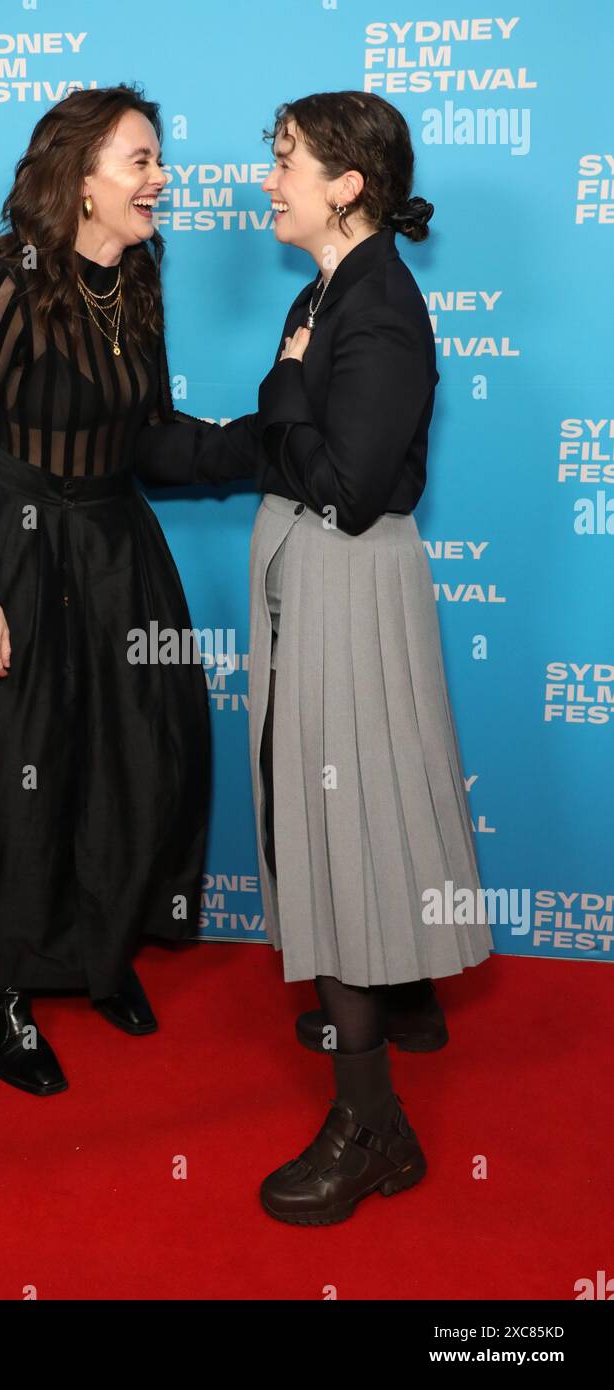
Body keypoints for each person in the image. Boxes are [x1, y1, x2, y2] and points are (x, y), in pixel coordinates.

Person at [137, 90, 495, 1225]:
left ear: (348, 184)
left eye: (285, 160)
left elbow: (338, 486)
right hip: (325, 584)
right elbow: (286, 448)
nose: (268, 179)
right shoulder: (328, 290)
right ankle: (404, 995)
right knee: (364, 794)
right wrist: (177, 448)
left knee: (334, 823)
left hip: (346, 582)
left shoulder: (376, 306)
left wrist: (284, 387)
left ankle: (370, 1123)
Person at [0, 84, 237, 1098]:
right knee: (23, 767)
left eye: (158, 159)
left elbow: (150, 434)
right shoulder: (14, 284)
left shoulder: (139, 276)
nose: (161, 178)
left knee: (128, 759)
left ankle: (95, 954)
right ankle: (8, 989)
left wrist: (259, 445)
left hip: (118, 555)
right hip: (20, 554)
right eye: (140, 161)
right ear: (79, 180)